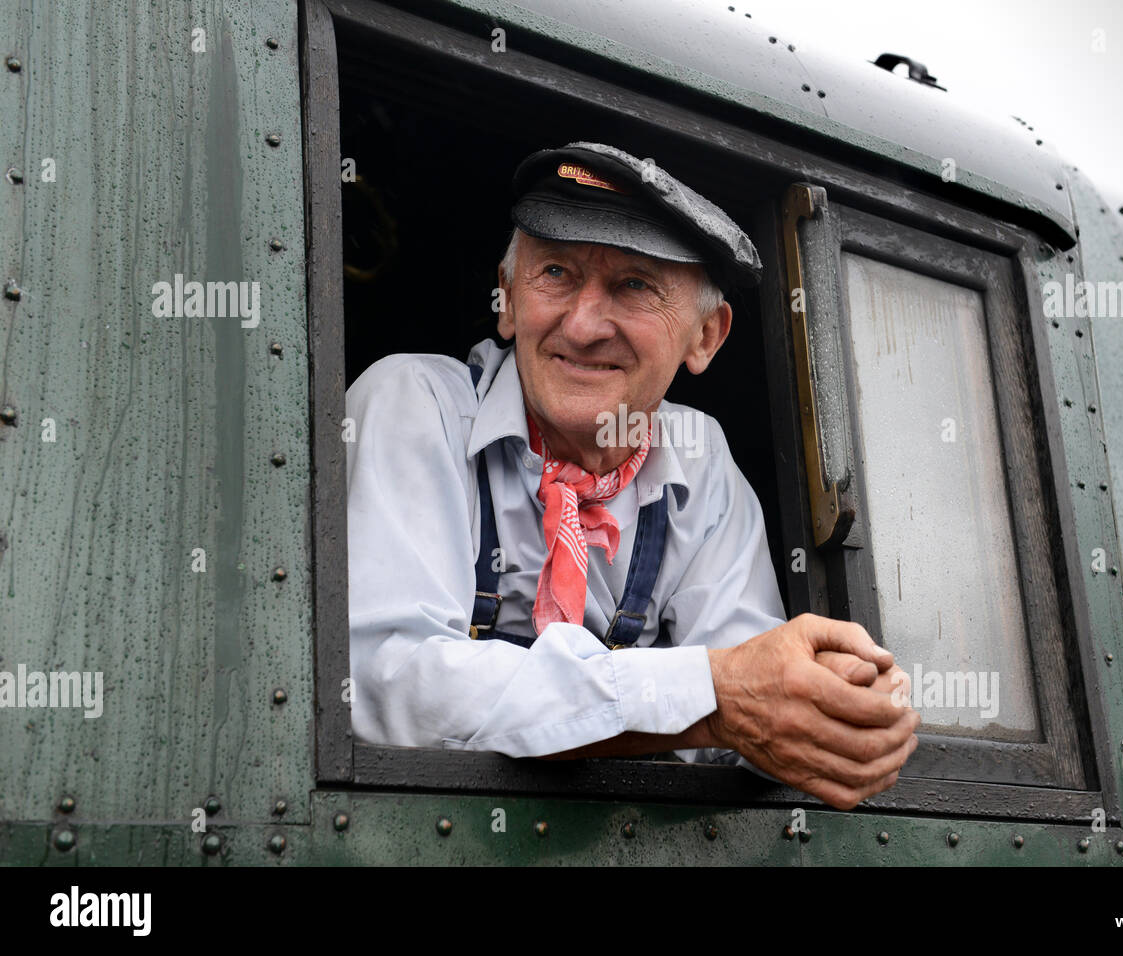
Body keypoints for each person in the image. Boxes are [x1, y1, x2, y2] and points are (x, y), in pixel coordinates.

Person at [346, 141, 919, 809]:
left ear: (705, 336)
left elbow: (758, 709)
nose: (584, 325)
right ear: (505, 299)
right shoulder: (414, 404)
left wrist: (833, 704)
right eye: (555, 272)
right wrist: (715, 697)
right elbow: (389, 683)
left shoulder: (700, 462)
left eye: (634, 285)